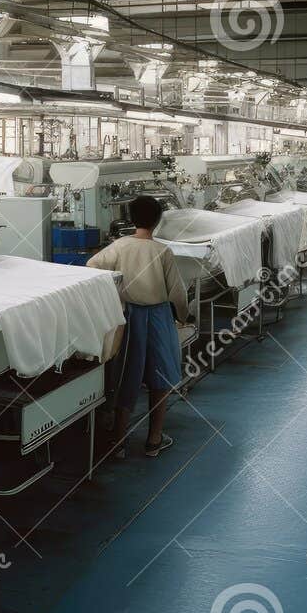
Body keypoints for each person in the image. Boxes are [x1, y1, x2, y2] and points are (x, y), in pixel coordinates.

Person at [86, 194, 189, 459]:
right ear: (158, 221)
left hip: (129, 318)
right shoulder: (162, 251)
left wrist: (114, 295)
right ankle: (154, 440)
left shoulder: (120, 246)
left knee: (126, 377)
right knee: (161, 377)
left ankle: (118, 442)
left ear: (131, 220)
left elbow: (92, 267)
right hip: (158, 318)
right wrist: (185, 316)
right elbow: (177, 293)